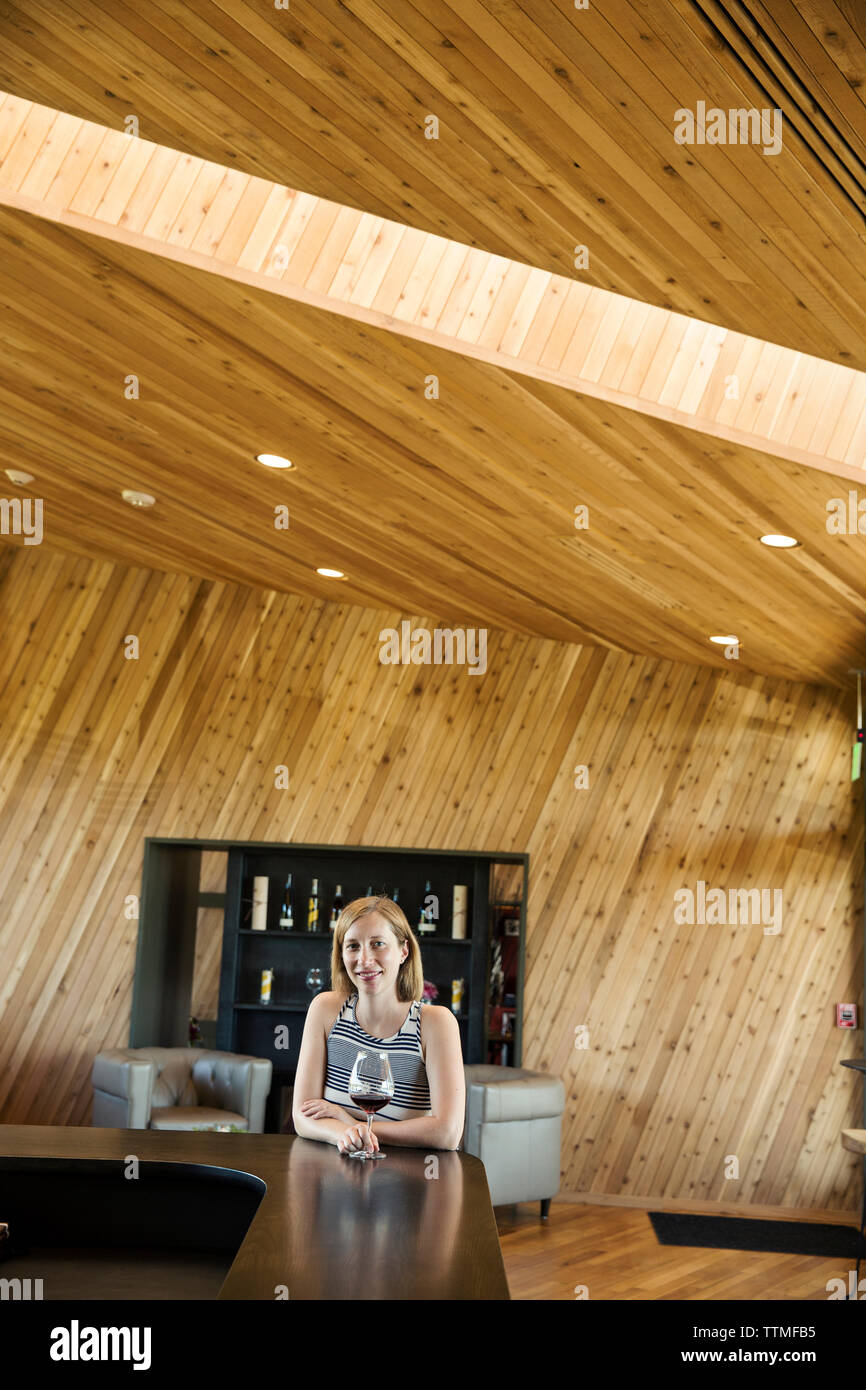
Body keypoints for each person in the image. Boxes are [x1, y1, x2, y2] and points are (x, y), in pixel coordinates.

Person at [292, 896, 465, 1155]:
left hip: (409, 1181)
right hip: (331, 1176)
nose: (364, 959)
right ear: (341, 954)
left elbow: (447, 1133)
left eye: (378, 944)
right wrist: (344, 1133)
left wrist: (355, 1124)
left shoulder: (435, 1023)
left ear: (403, 951)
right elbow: (302, 1115)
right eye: (352, 946)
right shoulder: (325, 1009)